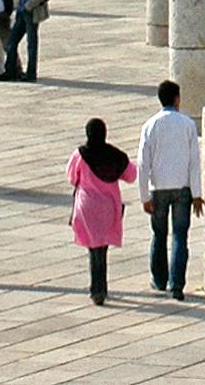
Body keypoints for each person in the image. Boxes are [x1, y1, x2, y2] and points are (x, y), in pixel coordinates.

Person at [135, 78, 201, 299]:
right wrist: (197, 194)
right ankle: (177, 285)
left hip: (159, 187)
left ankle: (159, 279)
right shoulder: (188, 124)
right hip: (182, 187)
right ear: (177, 98)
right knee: (180, 236)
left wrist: (144, 196)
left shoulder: (150, 125)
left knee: (159, 234)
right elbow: (194, 162)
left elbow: (143, 164)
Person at [68, 117, 134, 303]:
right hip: (108, 206)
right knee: (103, 248)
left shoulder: (80, 154)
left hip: (87, 206)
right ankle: (102, 288)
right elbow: (131, 175)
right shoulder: (114, 155)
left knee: (93, 247)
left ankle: (95, 288)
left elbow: (72, 177)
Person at [8, 0, 50, 81]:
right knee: (12, 41)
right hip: (21, 12)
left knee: (32, 44)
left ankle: (31, 73)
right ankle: (10, 71)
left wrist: (28, 6)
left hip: (31, 12)